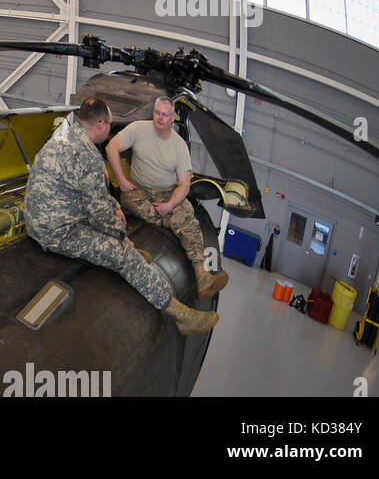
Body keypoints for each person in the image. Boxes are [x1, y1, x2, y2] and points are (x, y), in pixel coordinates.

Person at [24, 96, 218, 335]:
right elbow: (98, 214)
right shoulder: (88, 156)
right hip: (56, 232)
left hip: (39, 218)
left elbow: (86, 191)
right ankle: (179, 313)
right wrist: (121, 235)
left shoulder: (63, 136)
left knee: (109, 221)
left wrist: (114, 203)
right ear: (101, 123)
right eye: (109, 124)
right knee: (125, 257)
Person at [105, 96, 229, 301]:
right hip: (139, 191)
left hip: (167, 192)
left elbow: (184, 185)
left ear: (173, 118)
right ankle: (169, 222)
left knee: (188, 218)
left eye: (164, 114)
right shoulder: (138, 128)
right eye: (156, 113)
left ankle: (202, 275)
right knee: (128, 200)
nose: (159, 118)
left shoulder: (179, 146)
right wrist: (122, 181)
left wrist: (169, 205)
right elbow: (111, 148)